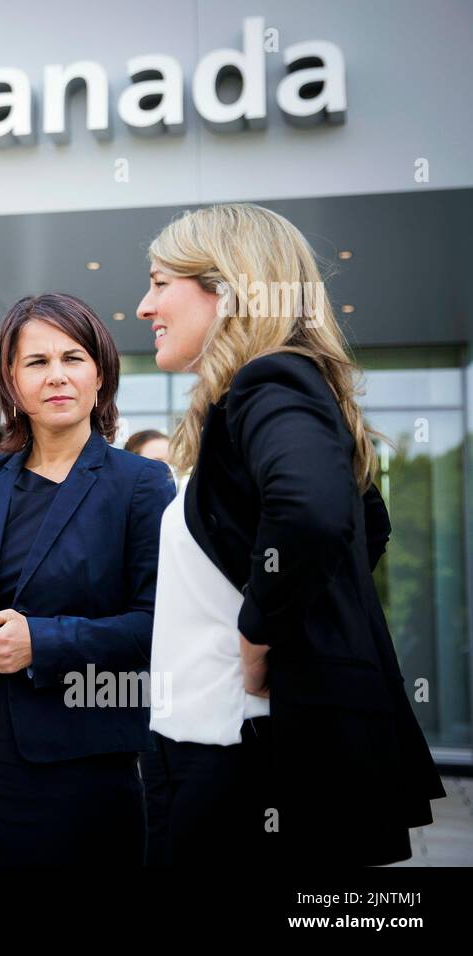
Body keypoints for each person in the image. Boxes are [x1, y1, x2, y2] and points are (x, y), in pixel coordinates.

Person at [136, 202, 445, 866]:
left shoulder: (269, 379)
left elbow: (311, 511)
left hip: (245, 763)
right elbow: (363, 527)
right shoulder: (256, 396)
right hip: (206, 748)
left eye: (160, 282)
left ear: (226, 287)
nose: (143, 305)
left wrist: (262, 632)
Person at [0, 292, 175, 866]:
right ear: (11, 381)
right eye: (36, 363)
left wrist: (39, 643)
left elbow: (159, 628)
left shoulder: (142, 484)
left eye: (73, 358)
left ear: (100, 374)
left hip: (84, 770)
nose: (57, 377)